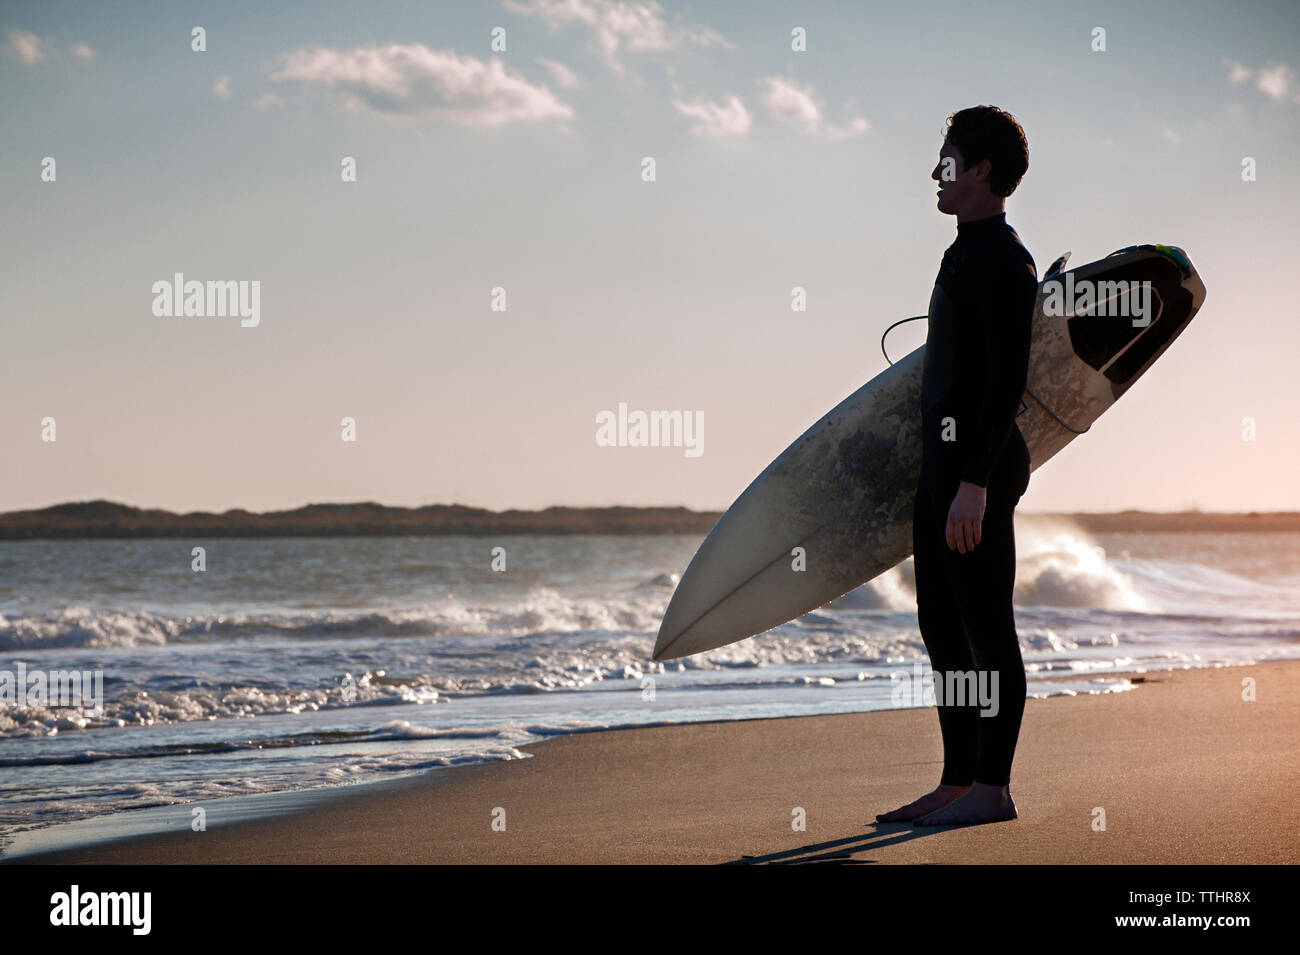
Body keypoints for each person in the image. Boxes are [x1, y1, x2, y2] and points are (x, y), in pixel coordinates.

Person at [877, 106, 1038, 826]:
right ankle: (957, 778)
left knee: (985, 627)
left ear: (980, 169)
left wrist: (973, 482)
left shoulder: (1004, 260)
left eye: (946, 158)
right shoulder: (962, 251)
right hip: (942, 471)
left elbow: (1007, 381)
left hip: (979, 471)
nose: (935, 172)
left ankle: (993, 789)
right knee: (941, 626)